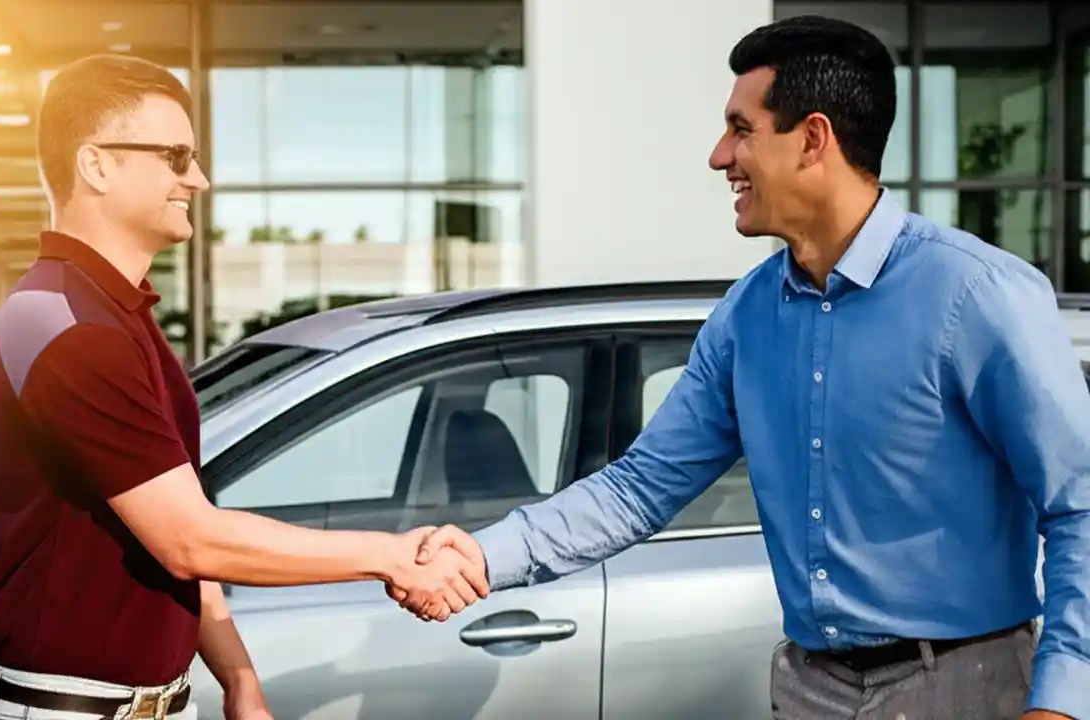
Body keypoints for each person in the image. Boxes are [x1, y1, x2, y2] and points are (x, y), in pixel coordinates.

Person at [402, 15, 1090, 720]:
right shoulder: (747, 316)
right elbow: (639, 487)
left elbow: (1081, 504)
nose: (719, 155)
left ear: (813, 139)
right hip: (807, 688)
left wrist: (1062, 703)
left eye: (741, 129)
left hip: (964, 689)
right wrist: (484, 557)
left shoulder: (975, 295)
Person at [0, 54, 485, 720]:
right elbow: (190, 539)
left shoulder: (115, 314)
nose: (199, 179)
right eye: (176, 157)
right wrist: (392, 557)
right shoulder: (67, 324)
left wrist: (237, 678)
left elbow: (180, 520)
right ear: (95, 164)